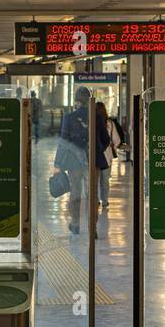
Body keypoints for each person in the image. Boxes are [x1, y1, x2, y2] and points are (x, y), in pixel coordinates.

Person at [54, 87, 111, 236]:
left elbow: (63, 142)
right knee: (92, 194)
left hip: (74, 162)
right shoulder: (97, 117)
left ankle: (75, 223)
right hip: (94, 161)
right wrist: (96, 151)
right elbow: (106, 140)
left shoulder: (69, 117)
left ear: (76, 100)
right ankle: (93, 228)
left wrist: (58, 163)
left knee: (75, 192)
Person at [97, 101, 121, 208]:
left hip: (94, 156)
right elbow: (117, 140)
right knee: (105, 180)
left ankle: (96, 200)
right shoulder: (110, 124)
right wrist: (112, 149)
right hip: (107, 157)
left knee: (95, 180)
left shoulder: (90, 122)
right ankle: (104, 201)